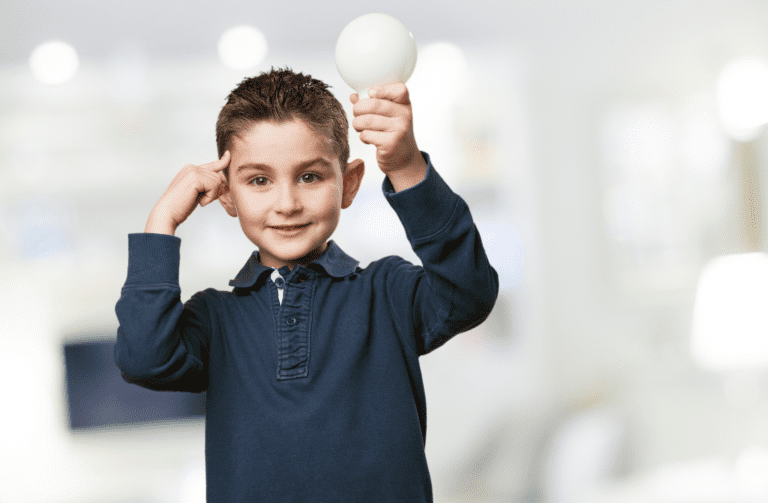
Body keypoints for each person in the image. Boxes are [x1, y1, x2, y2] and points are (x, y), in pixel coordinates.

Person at [114, 67, 498, 502]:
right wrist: (162, 222)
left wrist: (407, 166)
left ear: (348, 184)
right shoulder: (214, 319)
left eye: (310, 176)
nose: (287, 204)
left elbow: (468, 293)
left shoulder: (388, 292)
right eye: (259, 181)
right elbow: (144, 358)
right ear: (226, 195)